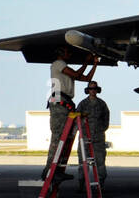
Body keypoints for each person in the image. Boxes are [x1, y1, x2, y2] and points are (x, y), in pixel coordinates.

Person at [41, 46, 97, 182]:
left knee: (64, 139)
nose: (70, 54)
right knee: (57, 138)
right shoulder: (58, 64)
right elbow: (77, 75)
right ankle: (49, 171)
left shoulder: (65, 69)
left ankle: (57, 171)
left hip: (65, 103)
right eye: (67, 52)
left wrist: (94, 64)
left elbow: (86, 78)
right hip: (59, 102)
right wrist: (87, 62)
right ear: (60, 53)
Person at [76, 80, 110, 184]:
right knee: (83, 163)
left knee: (100, 162)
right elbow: (77, 119)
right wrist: (82, 131)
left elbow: (106, 119)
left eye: (94, 88)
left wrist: (100, 130)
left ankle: (100, 183)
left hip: (98, 138)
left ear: (97, 90)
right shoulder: (82, 104)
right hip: (85, 137)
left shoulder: (102, 104)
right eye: (91, 88)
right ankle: (82, 184)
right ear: (88, 90)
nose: (93, 90)